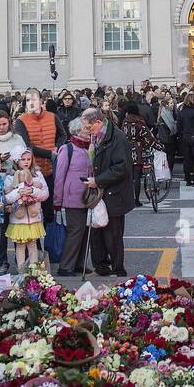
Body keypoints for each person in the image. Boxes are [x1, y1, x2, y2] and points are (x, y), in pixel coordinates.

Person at [85, 106, 133, 278]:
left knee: (113, 234)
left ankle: (118, 269)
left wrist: (98, 180)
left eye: (89, 127)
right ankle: (101, 267)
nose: (86, 130)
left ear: (98, 122)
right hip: (99, 192)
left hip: (114, 193)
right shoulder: (96, 136)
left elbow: (122, 168)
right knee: (96, 232)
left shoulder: (117, 137)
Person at [53, 116, 96, 276]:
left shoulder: (88, 148)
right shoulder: (67, 149)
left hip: (88, 197)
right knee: (75, 232)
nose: (89, 131)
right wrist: (57, 200)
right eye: (86, 128)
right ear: (77, 130)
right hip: (72, 198)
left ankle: (78, 263)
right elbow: (59, 176)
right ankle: (65, 266)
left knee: (84, 232)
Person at [14, 89, 62, 228]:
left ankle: (50, 244)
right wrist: (49, 154)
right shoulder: (20, 121)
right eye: (28, 100)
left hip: (51, 171)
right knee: (31, 211)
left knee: (49, 211)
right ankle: (35, 247)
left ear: (41, 101)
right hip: (31, 172)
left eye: (34, 99)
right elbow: (27, 146)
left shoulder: (52, 117)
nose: (31, 103)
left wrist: (57, 147)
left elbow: (63, 134)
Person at [3, 149, 49, 272]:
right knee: (20, 245)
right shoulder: (10, 177)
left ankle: (34, 271)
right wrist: (19, 192)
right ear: (17, 161)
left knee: (33, 244)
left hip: (34, 217)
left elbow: (45, 194)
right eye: (23, 159)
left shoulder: (37, 175)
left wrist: (33, 191)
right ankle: (21, 271)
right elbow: (6, 198)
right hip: (18, 219)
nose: (26, 162)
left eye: (29, 159)